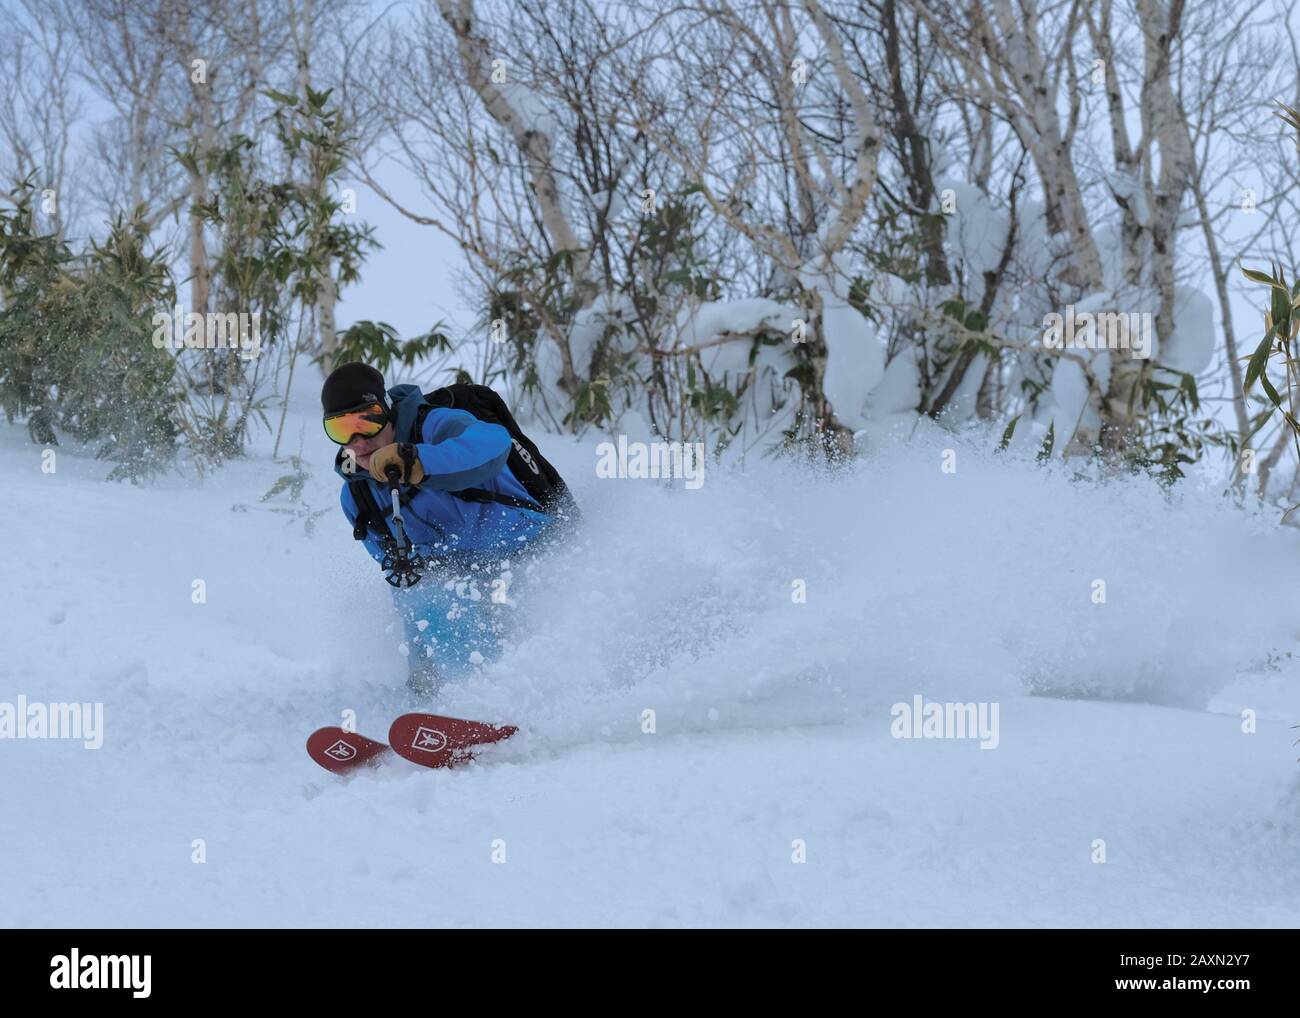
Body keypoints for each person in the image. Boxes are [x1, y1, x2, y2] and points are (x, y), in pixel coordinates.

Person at [320, 362, 561, 695]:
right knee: (433, 592)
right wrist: (421, 670)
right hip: (467, 580)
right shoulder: (358, 497)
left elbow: (492, 442)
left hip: (533, 551)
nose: (358, 442)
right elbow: (405, 583)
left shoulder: (433, 426)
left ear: (388, 412)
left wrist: (419, 462)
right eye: (341, 429)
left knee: (447, 596)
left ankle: (488, 699)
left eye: (368, 420)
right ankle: (456, 700)